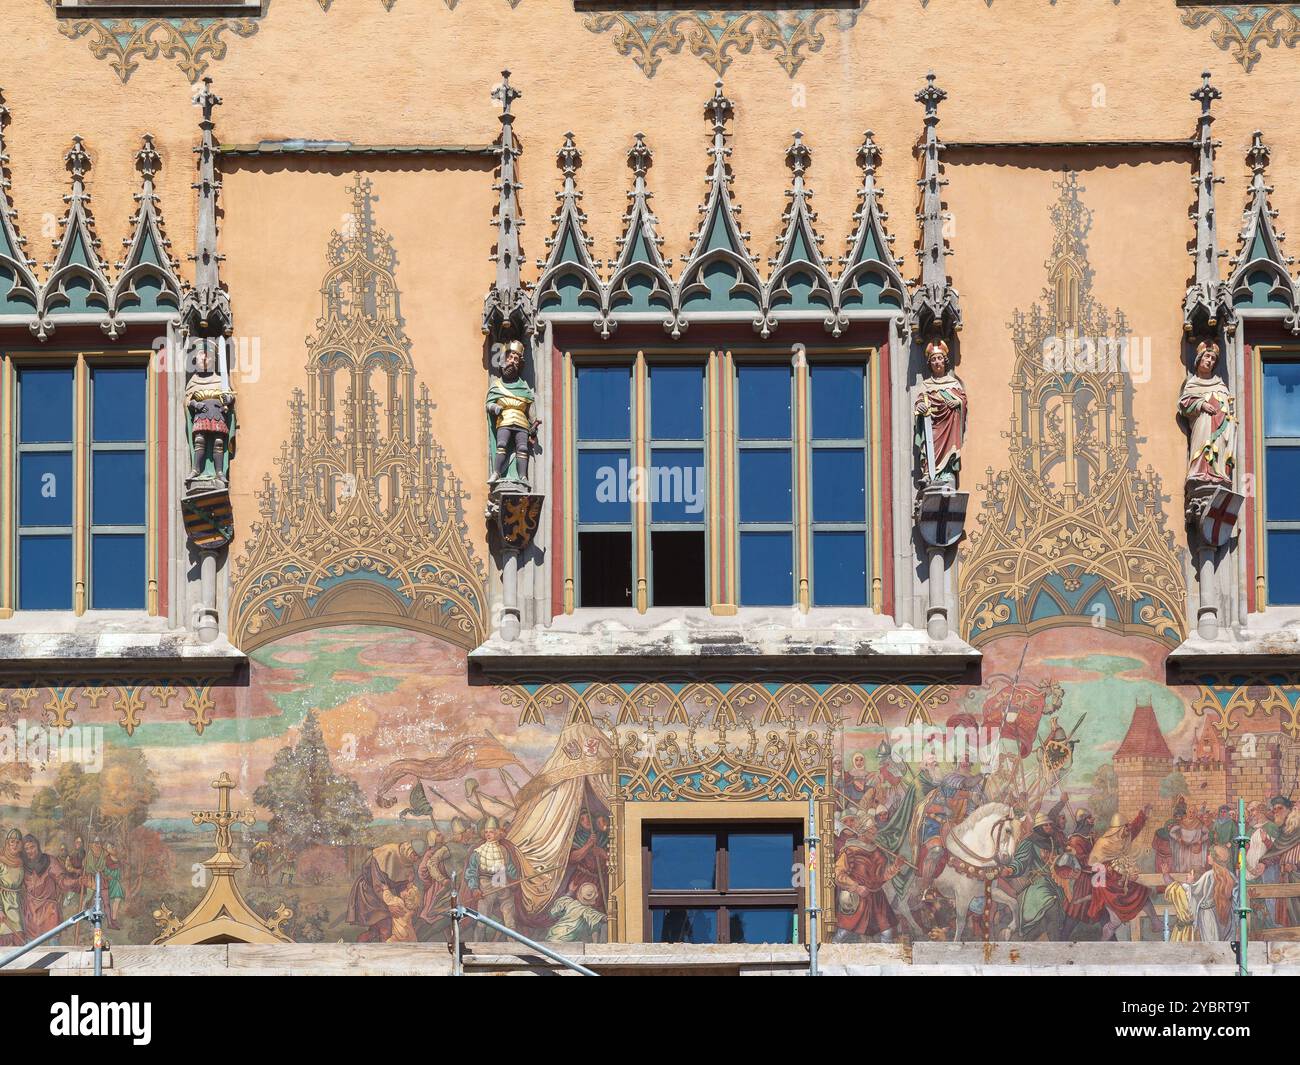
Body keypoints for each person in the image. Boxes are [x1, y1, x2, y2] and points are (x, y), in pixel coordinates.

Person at [832, 822, 907, 942]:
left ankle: (886, 959)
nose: (875, 830)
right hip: (858, 898)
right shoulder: (850, 850)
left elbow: (881, 877)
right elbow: (838, 874)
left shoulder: (877, 851)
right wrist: (856, 887)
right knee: (843, 933)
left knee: (887, 932)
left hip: (877, 898)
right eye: (872, 828)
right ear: (863, 831)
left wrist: (896, 866)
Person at [1177, 340, 1235, 489]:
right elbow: (1184, 404)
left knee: (1218, 452)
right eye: (1207, 356)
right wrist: (1202, 404)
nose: (1209, 361)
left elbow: (1228, 407)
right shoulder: (1193, 383)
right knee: (1202, 447)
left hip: (1220, 429)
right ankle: (1199, 472)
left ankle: (1219, 473)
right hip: (1202, 426)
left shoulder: (1220, 384)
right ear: (1199, 358)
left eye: (1213, 358)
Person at [1000, 813, 1064, 941]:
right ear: (1039, 827)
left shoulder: (1053, 841)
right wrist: (1011, 869)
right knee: (1052, 908)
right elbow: (1020, 861)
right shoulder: (1029, 842)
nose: (1049, 827)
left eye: (1050, 824)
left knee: (1050, 919)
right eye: (1045, 825)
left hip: (1055, 883)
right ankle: (1055, 945)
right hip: (1038, 883)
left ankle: (1026, 941)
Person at [346, 839, 425, 942]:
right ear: (409, 849)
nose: (415, 859)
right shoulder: (386, 853)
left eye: (418, 857)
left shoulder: (408, 862)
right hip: (371, 894)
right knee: (386, 931)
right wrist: (389, 906)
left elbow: (403, 884)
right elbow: (378, 884)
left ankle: (362, 949)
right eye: (414, 855)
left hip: (388, 896)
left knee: (376, 932)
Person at [914, 338, 967, 487]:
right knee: (929, 445)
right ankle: (928, 473)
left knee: (949, 450)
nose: (937, 362)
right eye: (933, 360)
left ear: (945, 361)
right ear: (930, 364)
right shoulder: (926, 385)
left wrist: (957, 402)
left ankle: (947, 474)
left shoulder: (953, 383)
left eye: (939, 358)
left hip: (949, 427)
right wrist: (920, 407)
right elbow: (919, 401)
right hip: (933, 425)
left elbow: (962, 399)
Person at [463, 818, 524, 938]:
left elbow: (510, 867)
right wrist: (474, 888)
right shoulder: (478, 852)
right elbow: (471, 871)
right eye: (486, 832)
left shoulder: (504, 850)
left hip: (502, 882)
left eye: (491, 832)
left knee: (509, 920)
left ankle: (513, 946)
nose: (488, 835)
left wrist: (516, 879)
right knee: (482, 920)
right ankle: (477, 946)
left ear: (497, 833)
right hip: (485, 885)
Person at [20, 835, 83, 942]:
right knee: (30, 948)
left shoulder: (50, 861)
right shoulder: (22, 865)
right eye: (27, 848)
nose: (30, 851)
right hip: (31, 911)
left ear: (38, 846)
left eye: (32, 847)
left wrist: (77, 881)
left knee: (54, 944)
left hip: (49, 910)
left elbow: (62, 881)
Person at [0, 829, 24, 946]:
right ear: (7, 843)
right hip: (4, 905)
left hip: (18, 903)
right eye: (12, 842)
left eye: (18, 842)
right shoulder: (1, 862)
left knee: (20, 939)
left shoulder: (21, 862)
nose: (15, 845)